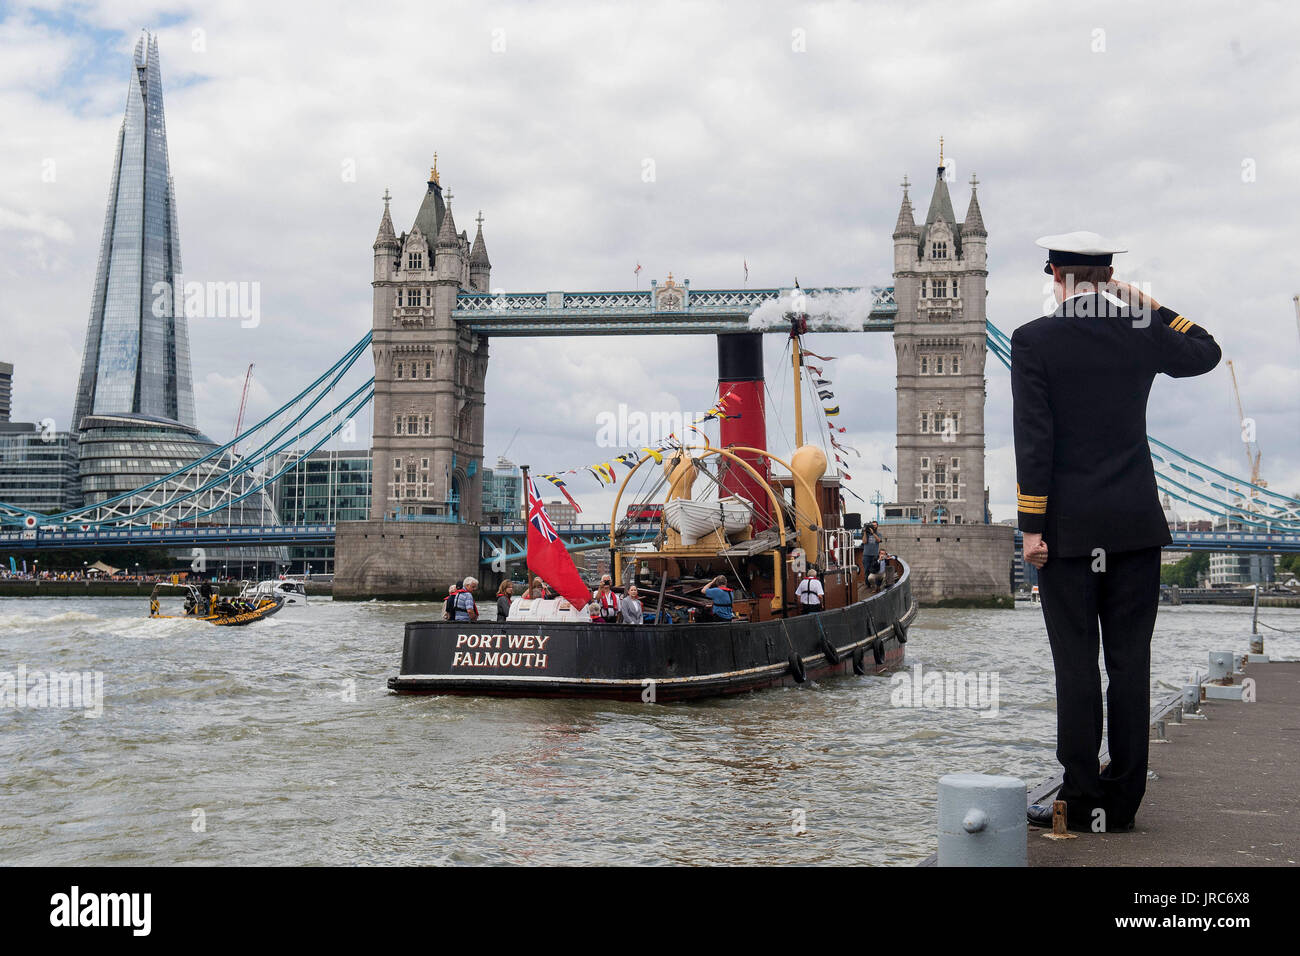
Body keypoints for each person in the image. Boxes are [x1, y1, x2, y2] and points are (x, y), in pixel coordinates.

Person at [1017, 231, 1220, 834]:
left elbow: (1035, 440)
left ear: (1054, 273)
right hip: (1134, 529)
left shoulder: (1033, 341)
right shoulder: (1141, 332)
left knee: (1075, 666)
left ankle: (1081, 798)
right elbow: (1205, 351)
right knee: (1130, 665)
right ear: (1108, 276)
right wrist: (1150, 305)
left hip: (1069, 536)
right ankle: (1123, 803)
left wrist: (1032, 528)